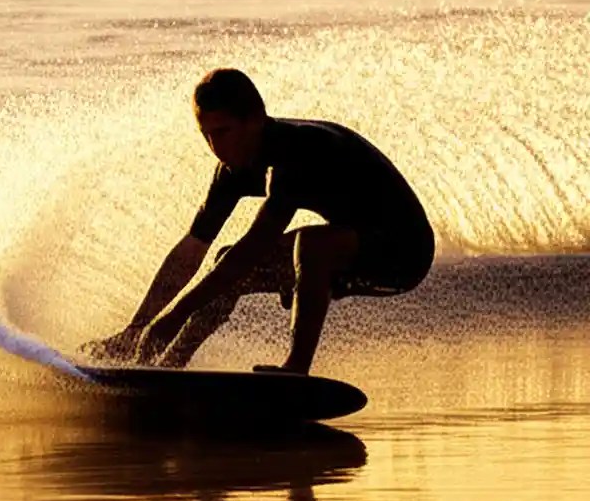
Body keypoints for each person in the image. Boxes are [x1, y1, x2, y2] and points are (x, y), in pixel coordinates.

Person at [81, 68, 434, 375]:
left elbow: (253, 249)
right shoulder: (232, 169)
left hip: (404, 253)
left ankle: (296, 368)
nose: (214, 145)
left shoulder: (294, 153)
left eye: (223, 132)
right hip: (351, 248)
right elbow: (191, 250)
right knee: (224, 260)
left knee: (304, 246)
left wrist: (173, 317)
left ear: (255, 119)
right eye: (206, 135)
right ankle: (170, 365)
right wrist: (139, 327)